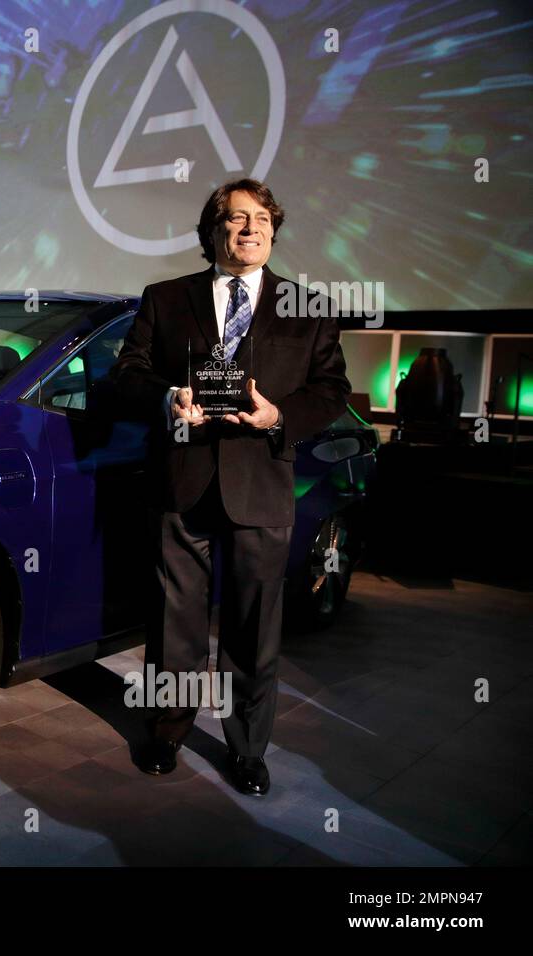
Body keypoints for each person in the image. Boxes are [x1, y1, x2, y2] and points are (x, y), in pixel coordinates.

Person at [112, 178, 351, 795]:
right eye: (238, 218)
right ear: (212, 230)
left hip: (263, 485)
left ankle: (247, 748)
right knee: (174, 625)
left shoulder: (309, 307)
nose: (252, 229)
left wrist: (277, 417)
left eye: (264, 219)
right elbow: (127, 374)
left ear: (274, 231)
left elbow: (330, 392)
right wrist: (169, 397)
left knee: (254, 629)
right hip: (182, 481)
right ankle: (165, 733)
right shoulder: (165, 298)